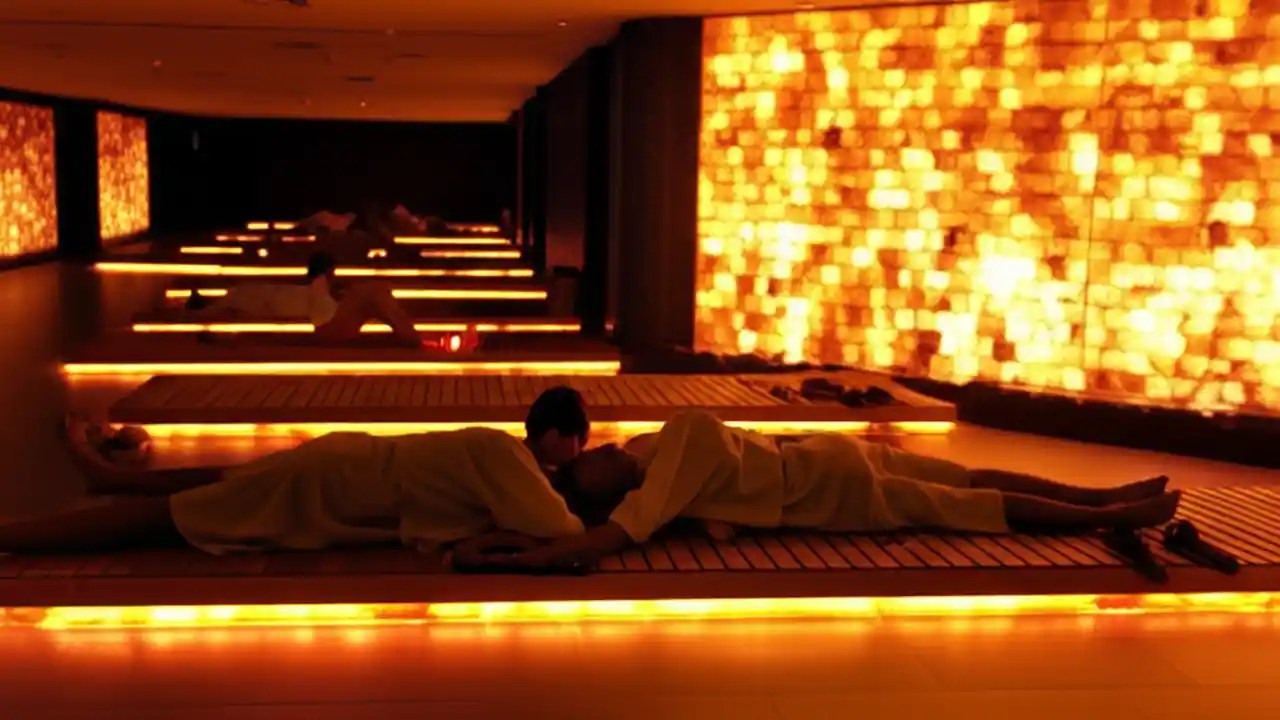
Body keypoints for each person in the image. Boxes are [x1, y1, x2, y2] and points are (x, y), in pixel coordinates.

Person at [500, 411, 1183, 569]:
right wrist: (521, 556)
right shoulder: (654, 492)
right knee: (971, 505)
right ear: (597, 495)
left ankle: (1101, 496)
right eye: (583, 471)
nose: (596, 455)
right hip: (838, 498)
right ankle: (1113, 515)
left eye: (584, 455)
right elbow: (603, 541)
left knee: (971, 477)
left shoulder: (651, 453)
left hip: (830, 458)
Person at [0, 388, 592, 555]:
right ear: (557, 437)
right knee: (168, 520)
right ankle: (13, 536)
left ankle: (111, 476)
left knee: (222, 485)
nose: (582, 455)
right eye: (580, 444)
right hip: (338, 485)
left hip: (342, 465)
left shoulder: (501, 452)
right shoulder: (512, 461)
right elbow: (562, 531)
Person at [187, 252, 467, 350]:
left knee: (376, 292)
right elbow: (227, 314)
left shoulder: (256, 291)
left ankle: (415, 338)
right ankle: (415, 339)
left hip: (328, 317)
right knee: (374, 291)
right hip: (327, 324)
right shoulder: (245, 293)